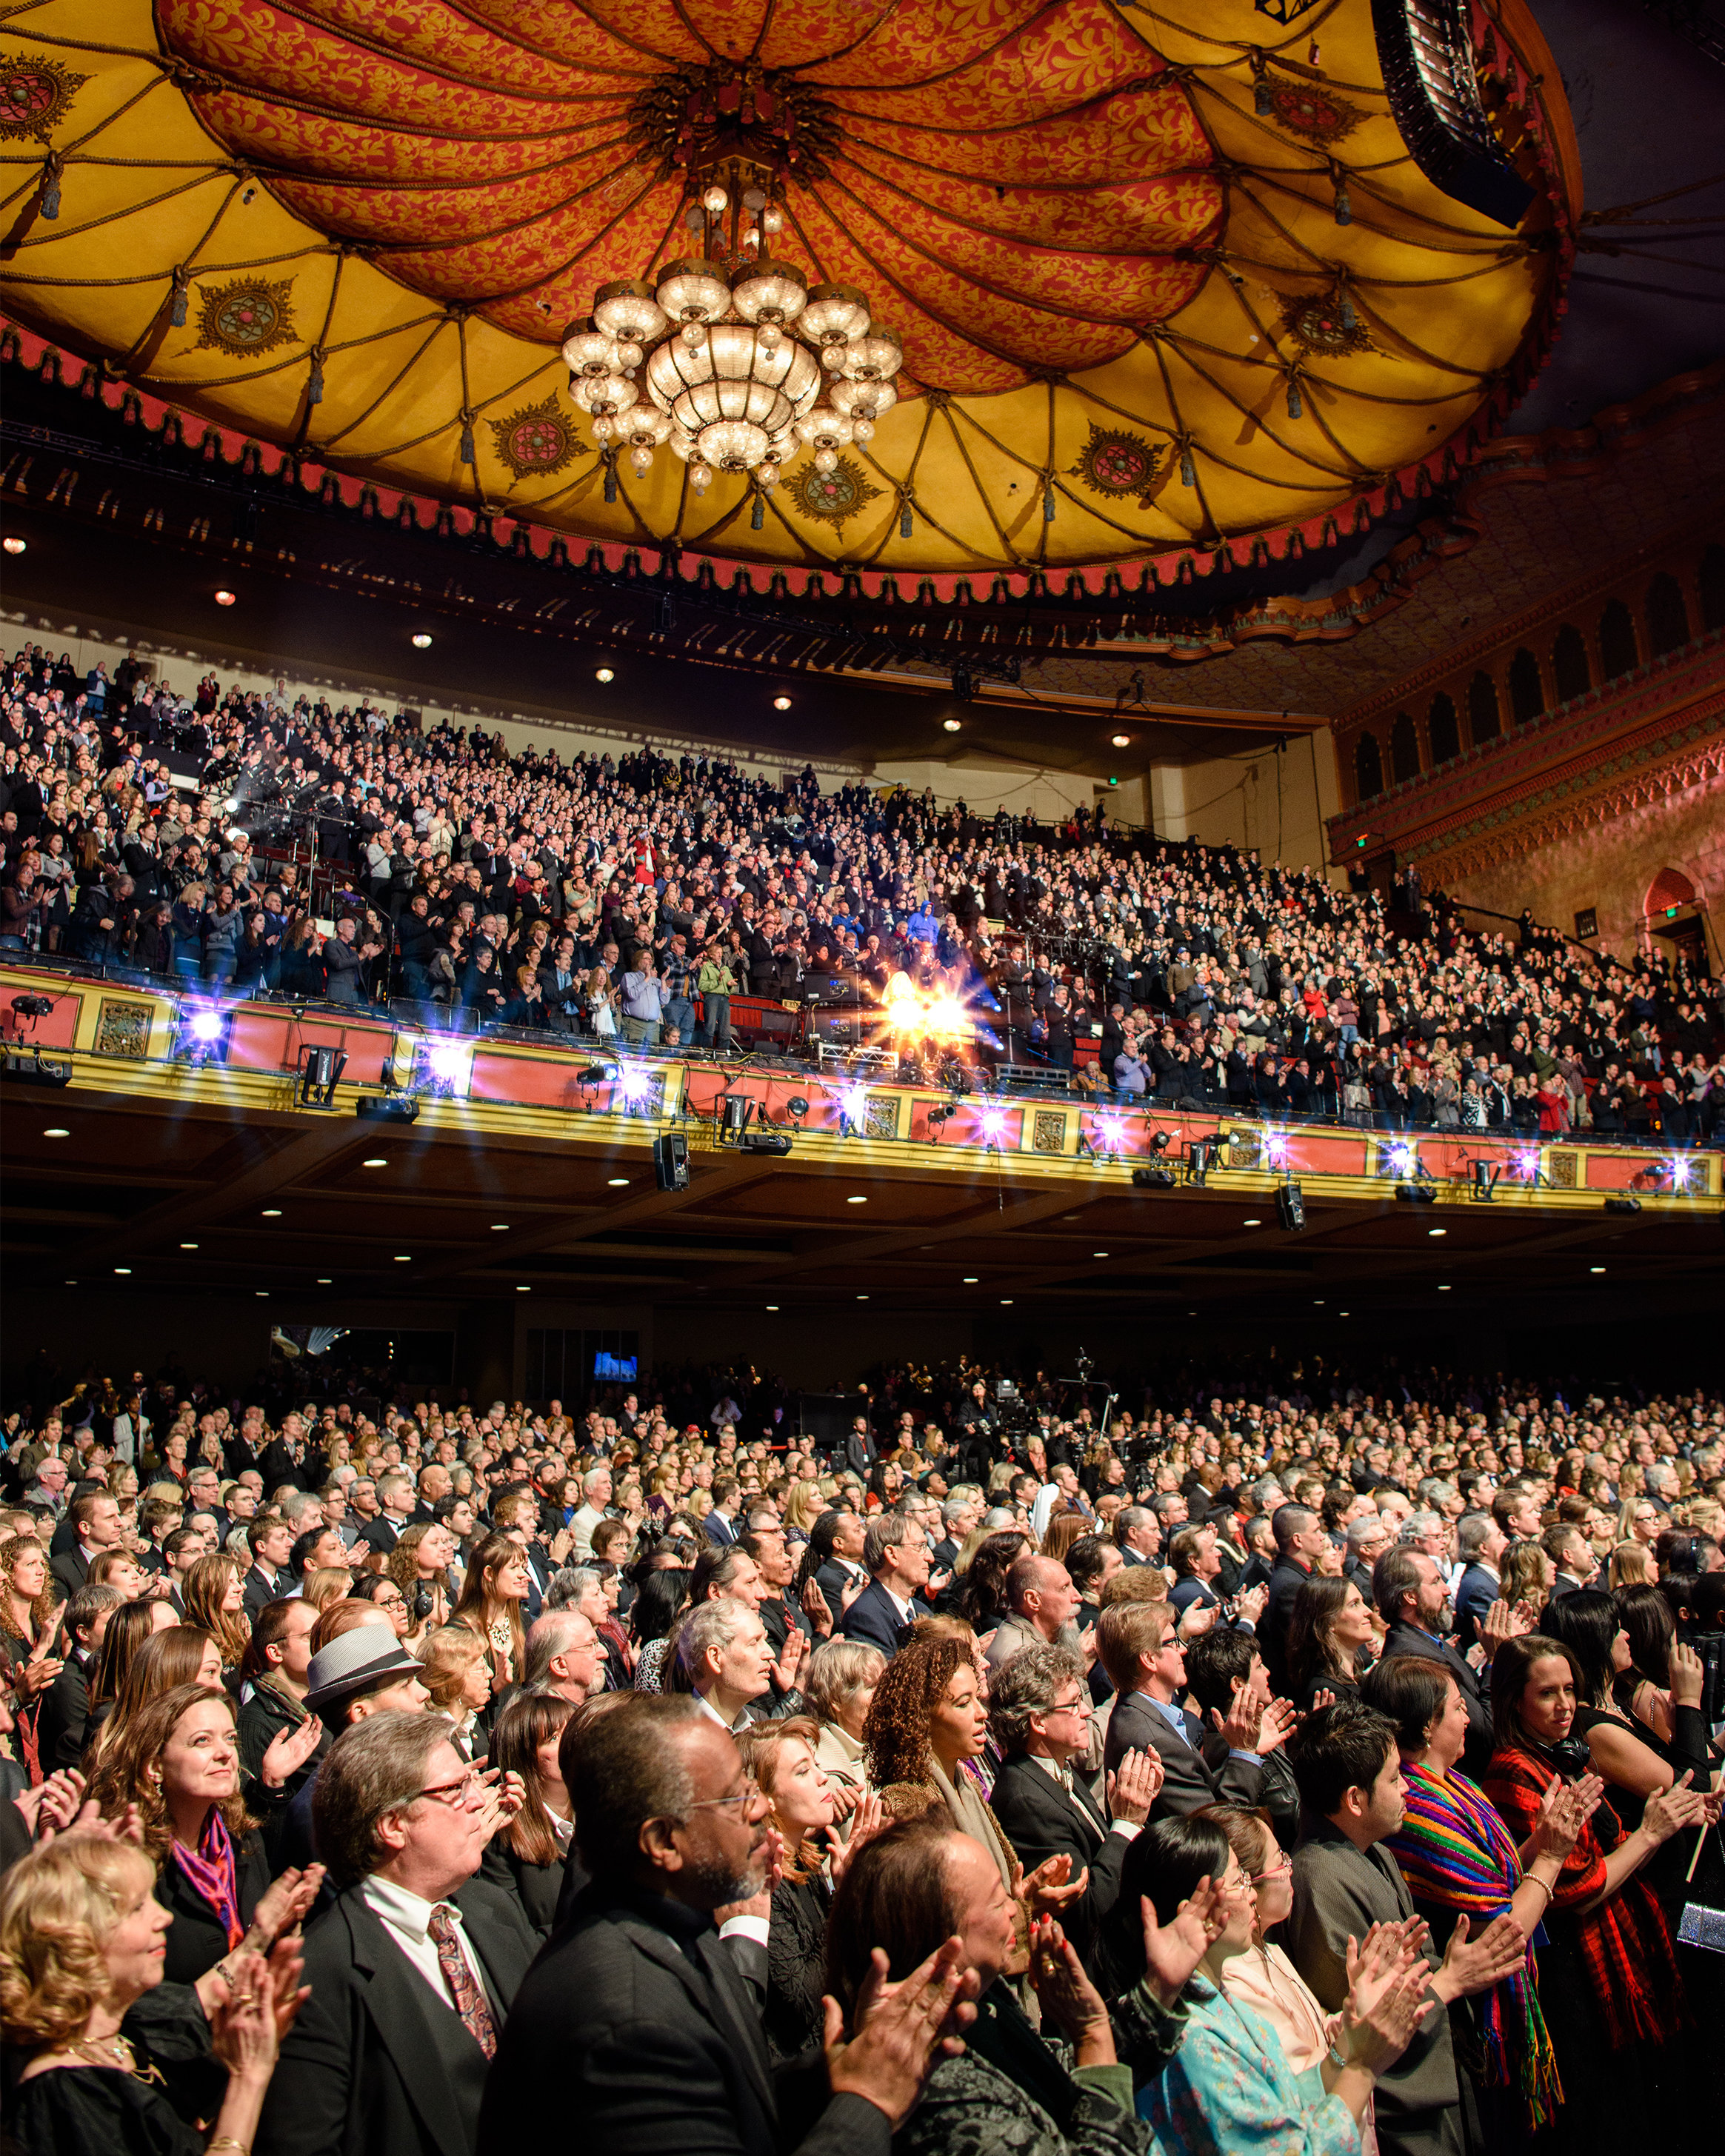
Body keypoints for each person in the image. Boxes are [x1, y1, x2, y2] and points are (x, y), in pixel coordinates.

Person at [476, 1692, 976, 2156]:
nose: (760, 1809)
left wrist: (836, 2071)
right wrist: (866, 2100)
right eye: (736, 1797)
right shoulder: (627, 2022)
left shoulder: (675, 1919)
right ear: (663, 1841)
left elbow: (729, 2094)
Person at [825, 1812, 1209, 2156]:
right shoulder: (930, 2083)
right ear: (941, 1940)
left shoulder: (978, 2000)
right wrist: (1092, 2035)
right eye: (996, 1902)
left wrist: (1157, 1990)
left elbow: (1051, 2073)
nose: (1015, 1908)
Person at [257, 1712, 538, 2156]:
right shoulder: (321, 1975)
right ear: (392, 1825)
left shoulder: (492, 1910)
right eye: (453, 1789)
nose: (476, 1799)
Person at [1482, 1634, 1712, 2152]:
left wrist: (1679, 1813)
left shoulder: (1570, 1747)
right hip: (1589, 1966)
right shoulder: (1534, 1759)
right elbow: (1578, 1888)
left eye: (1569, 1689)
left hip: (1631, 1941)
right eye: (1547, 1693)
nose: (1564, 1703)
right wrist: (1654, 1827)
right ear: (1514, 1699)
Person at [1367, 1655, 1597, 2143]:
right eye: (1456, 1706)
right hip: (1478, 2025)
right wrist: (1552, 1857)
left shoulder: (1455, 1782)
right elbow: (1500, 1928)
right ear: (1428, 1725)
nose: (1469, 1715)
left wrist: (1537, 1842)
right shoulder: (1418, 1807)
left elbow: (1494, 1875)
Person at [1283, 1701, 1528, 2156]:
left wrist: (1446, 1969)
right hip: (1397, 2117)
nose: (1408, 1791)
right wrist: (1451, 1979)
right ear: (1354, 1800)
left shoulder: (1376, 1851)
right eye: (1394, 1779)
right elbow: (1360, 2025)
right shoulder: (1318, 1881)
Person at [1136, 1810, 1429, 2156]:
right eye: (1240, 1881)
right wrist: (1363, 2067)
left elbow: (1288, 2095)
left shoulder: (1217, 1995)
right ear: (1194, 1909)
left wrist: (1354, 2034)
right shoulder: (1192, 2039)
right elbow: (1295, 2148)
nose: (1251, 1894)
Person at [0, 1832, 296, 2156]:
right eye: (138, 1907)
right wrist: (247, 2079)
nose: (164, 1917)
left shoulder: (117, 2045)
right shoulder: (63, 2095)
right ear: (77, 1941)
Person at [84, 1681, 324, 1987]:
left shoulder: (242, 1841)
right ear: (155, 1766)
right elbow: (131, 1998)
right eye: (202, 1741)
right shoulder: (130, 1860)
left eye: (230, 1739)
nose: (225, 1753)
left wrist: (283, 1928)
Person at [1199, 1803, 1387, 2156]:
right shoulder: (1233, 1974)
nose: (1290, 1868)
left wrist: (1358, 2002)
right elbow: (1302, 2081)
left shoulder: (1268, 1948)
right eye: (1279, 1861)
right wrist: (1361, 2039)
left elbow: (1318, 2040)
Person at [984, 1642, 1162, 1974]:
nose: (1085, 1713)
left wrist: (1126, 1809)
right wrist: (1125, 1823)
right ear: (1038, 1721)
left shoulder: (1055, 1765)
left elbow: (1097, 1855)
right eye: (1074, 1704)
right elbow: (1090, 1910)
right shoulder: (1024, 1800)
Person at [1098, 1600, 1292, 1818]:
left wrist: (1248, 1750)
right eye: (1172, 1642)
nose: (1183, 1649)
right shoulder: (1152, 1740)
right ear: (1149, 1659)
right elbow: (1217, 1827)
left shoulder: (1147, 1715)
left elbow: (1204, 1794)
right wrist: (1244, 1753)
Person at [733, 1713, 847, 2064]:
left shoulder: (806, 1862)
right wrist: (844, 1901)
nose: (823, 1777)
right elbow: (800, 2005)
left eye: (816, 1765)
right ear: (764, 1798)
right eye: (802, 1772)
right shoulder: (763, 1882)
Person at [484, 1688, 576, 1937]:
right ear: (526, 1757)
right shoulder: (503, 1839)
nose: (571, 1742)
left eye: (572, 1730)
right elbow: (514, 1939)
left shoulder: (602, 1813)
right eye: (554, 1738)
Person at [838, 1509, 933, 1655]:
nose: (930, 1557)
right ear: (892, 1555)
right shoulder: (865, 1618)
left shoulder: (922, 1611)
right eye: (920, 1546)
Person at [805, 1636, 884, 1799]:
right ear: (836, 1699)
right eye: (871, 1687)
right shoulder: (815, 1767)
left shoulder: (883, 1752)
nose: (884, 1695)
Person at [450, 1532, 530, 1687]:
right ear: (489, 1573)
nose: (524, 1575)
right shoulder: (459, 1631)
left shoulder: (523, 1620)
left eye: (523, 1567)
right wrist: (497, 1685)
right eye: (514, 1568)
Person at [1286, 1577, 1378, 1709]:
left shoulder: (1356, 1678)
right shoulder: (1327, 1692)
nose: (1368, 1611)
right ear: (1328, 1622)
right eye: (1354, 1604)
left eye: (1362, 1602)